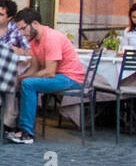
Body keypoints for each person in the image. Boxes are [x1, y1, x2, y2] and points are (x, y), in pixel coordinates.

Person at [7, 8, 86, 144]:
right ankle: (15, 126)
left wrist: (26, 80)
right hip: (59, 76)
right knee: (22, 83)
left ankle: (27, 134)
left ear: (35, 23)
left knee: (29, 84)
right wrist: (18, 79)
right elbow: (34, 68)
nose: (21, 33)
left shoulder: (51, 38)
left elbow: (49, 71)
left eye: (23, 28)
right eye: (19, 30)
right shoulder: (33, 41)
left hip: (70, 78)